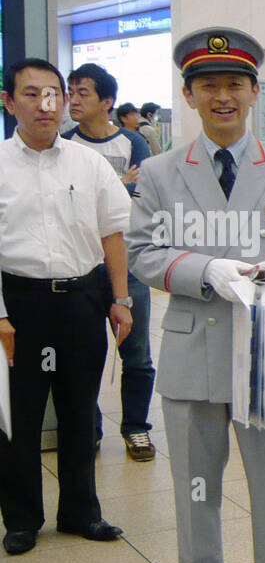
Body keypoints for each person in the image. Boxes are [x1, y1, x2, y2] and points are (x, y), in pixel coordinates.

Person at [126, 27, 265, 563]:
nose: (223, 96)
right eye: (209, 85)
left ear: (255, 91)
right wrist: (207, 271)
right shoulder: (158, 172)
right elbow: (142, 253)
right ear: (189, 95)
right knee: (195, 489)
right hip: (194, 351)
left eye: (235, 84)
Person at [0, 58, 132, 555]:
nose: (46, 104)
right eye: (31, 94)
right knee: (19, 415)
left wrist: (119, 300)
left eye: (54, 93)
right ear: (9, 102)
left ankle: (81, 511)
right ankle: (21, 518)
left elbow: (112, 234)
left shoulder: (89, 163)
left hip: (81, 300)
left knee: (81, 410)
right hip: (20, 305)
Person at [65, 63, 157, 461]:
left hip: (130, 263)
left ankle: (136, 428)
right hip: (81, 265)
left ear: (107, 102)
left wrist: (102, 195)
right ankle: (91, 428)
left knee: (136, 353)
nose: (73, 99)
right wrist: (117, 189)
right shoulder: (65, 144)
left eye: (83, 92)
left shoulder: (133, 143)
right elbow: (66, 206)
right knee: (84, 354)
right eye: (71, 91)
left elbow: (143, 196)